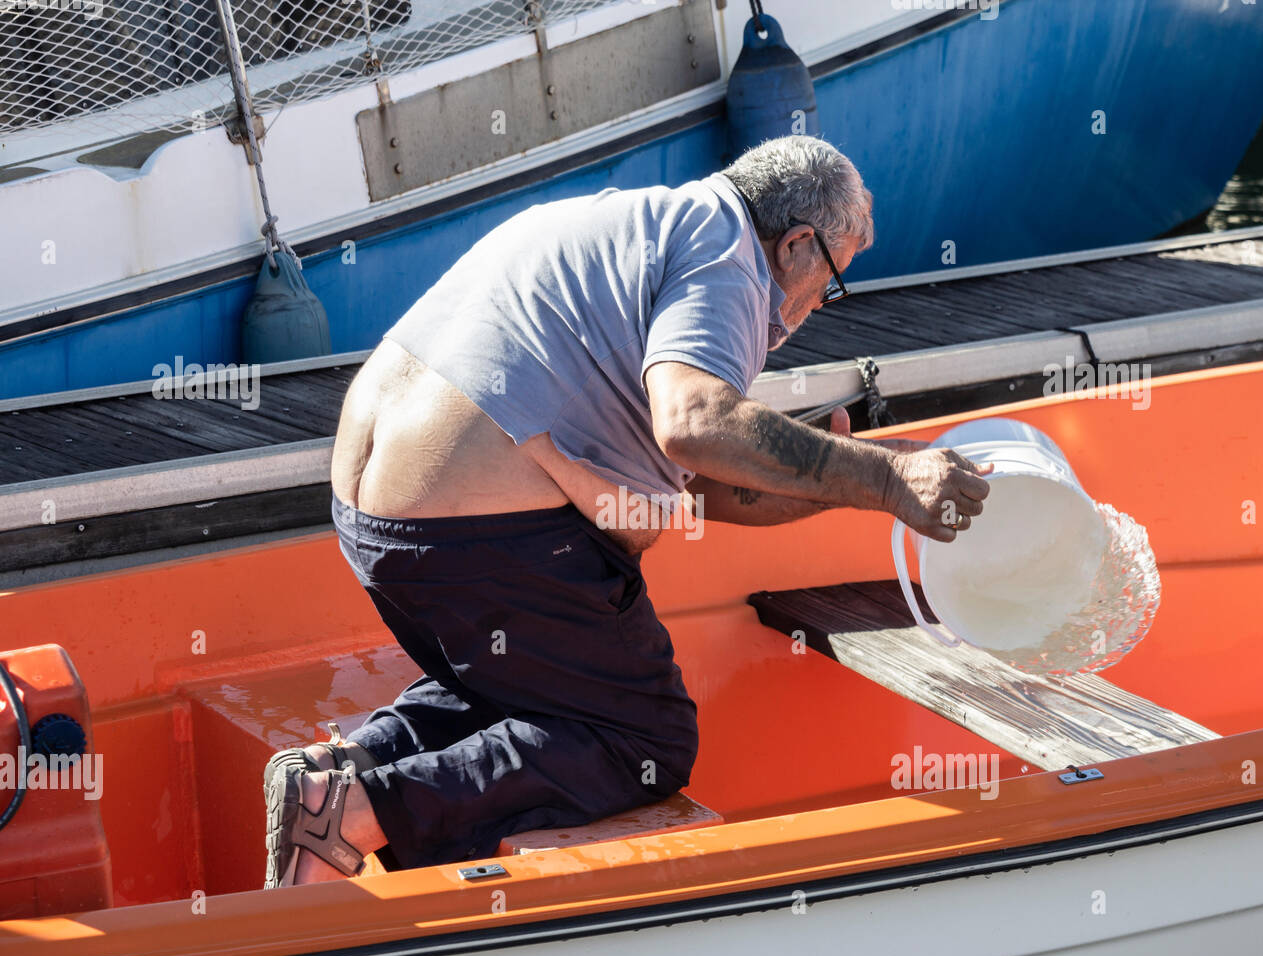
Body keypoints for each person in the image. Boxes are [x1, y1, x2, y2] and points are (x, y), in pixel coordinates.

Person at [263, 135, 991, 888]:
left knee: (522, 682)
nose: (814, 309)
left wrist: (840, 475)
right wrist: (887, 476)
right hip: (476, 528)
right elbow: (695, 422)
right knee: (641, 732)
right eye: (830, 281)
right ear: (798, 242)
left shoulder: (641, 225)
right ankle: (361, 809)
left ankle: (338, 771)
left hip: (380, 519)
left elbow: (700, 480)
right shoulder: (729, 257)